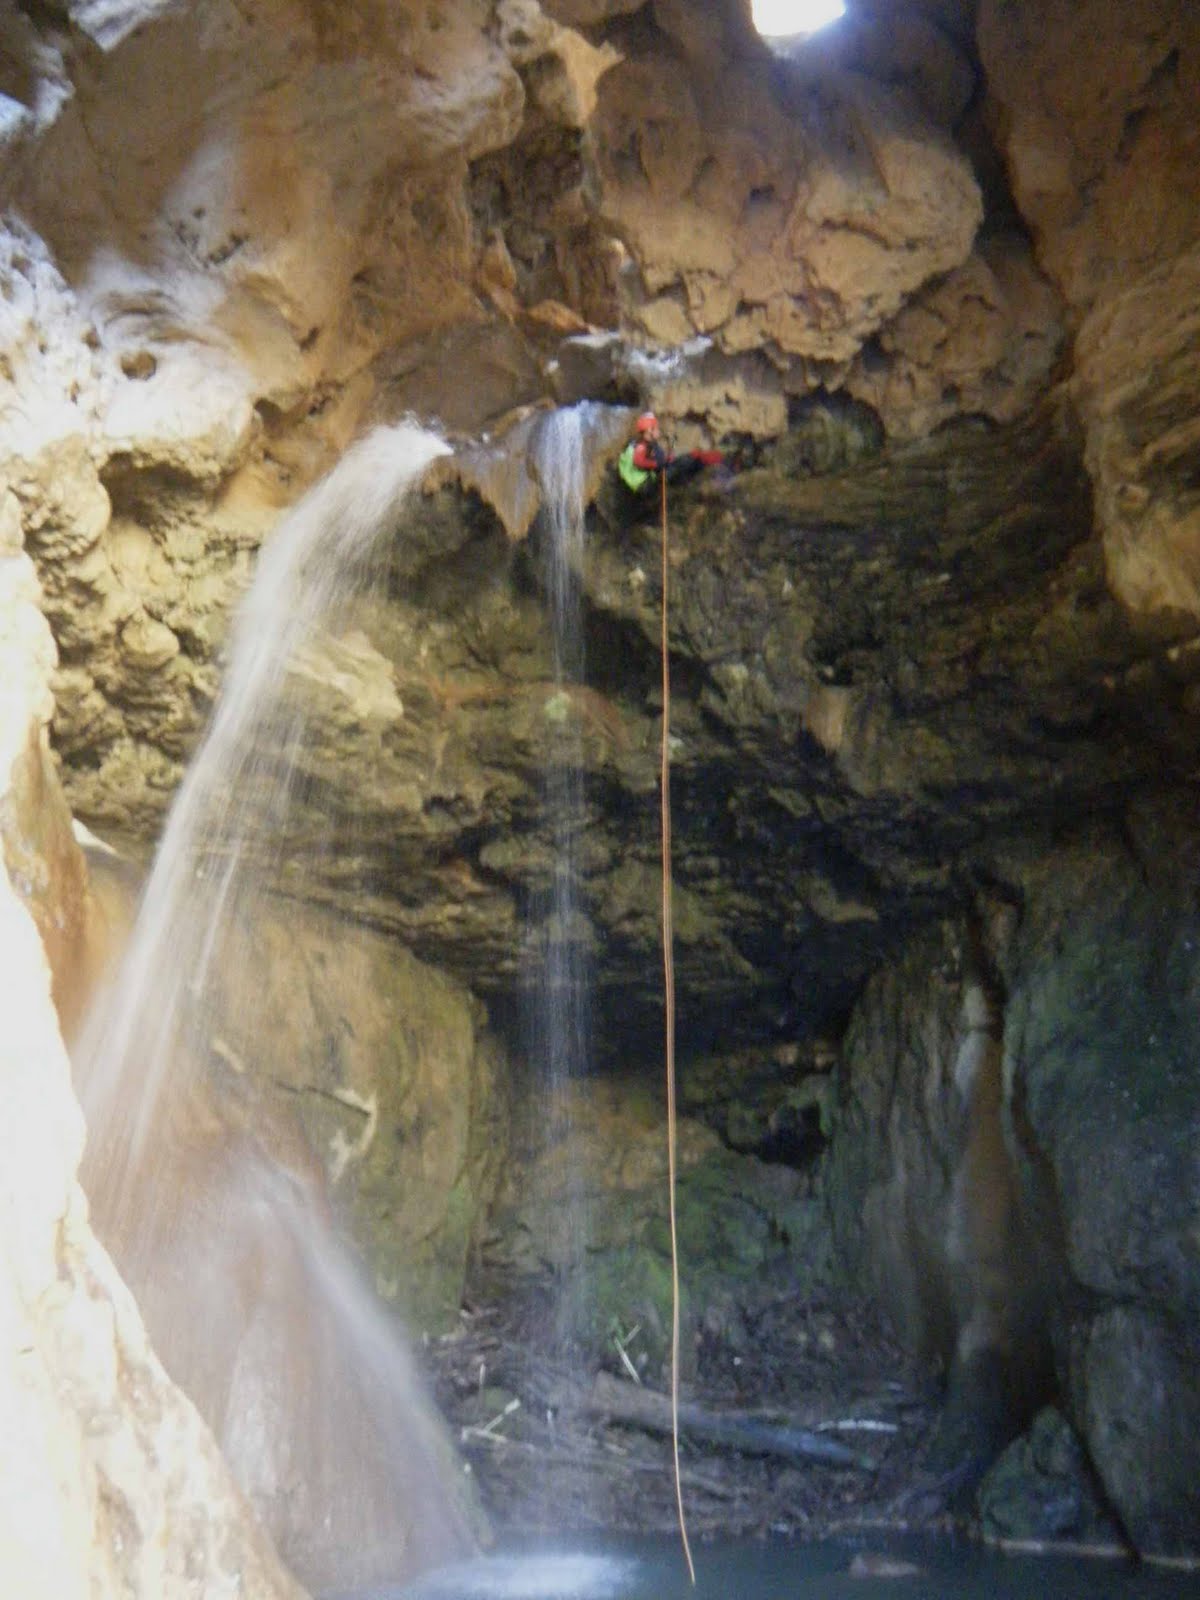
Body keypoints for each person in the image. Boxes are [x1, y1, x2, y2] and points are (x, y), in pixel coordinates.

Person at [617, 412, 727, 495]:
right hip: (649, 484)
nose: (658, 431)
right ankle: (723, 463)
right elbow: (639, 461)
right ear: (649, 430)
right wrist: (659, 463)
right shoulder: (641, 445)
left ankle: (712, 470)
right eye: (655, 428)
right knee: (691, 458)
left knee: (688, 461)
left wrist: (665, 460)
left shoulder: (646, 444)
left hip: (649, 482)